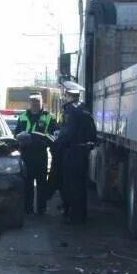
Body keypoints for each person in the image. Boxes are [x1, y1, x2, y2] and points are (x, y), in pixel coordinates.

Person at [54, 82, 96, 224]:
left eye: (66, 95)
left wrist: (57, 142)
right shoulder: (85, 109)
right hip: (83, 152)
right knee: (81, 184)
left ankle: (74, 216)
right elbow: (92, 132)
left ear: (69, 95)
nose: (65, 97)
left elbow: (67, 133)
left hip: (71, 152)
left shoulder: (70, 110)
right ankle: (81, 214)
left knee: (71, 185)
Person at [14, 93, 56, 215]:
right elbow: (16, 134)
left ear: (42, 102)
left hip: (40, 154)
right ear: (29, 102)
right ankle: (28, 210)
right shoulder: (22, 116)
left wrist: (43, 141)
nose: (35, 103)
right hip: (26, 154)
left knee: (42, 183)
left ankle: (41, 210)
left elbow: (53, 135)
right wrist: (20, 139)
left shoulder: (48, 117)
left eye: (37, 101)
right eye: (33, 101)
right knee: (27, 183)